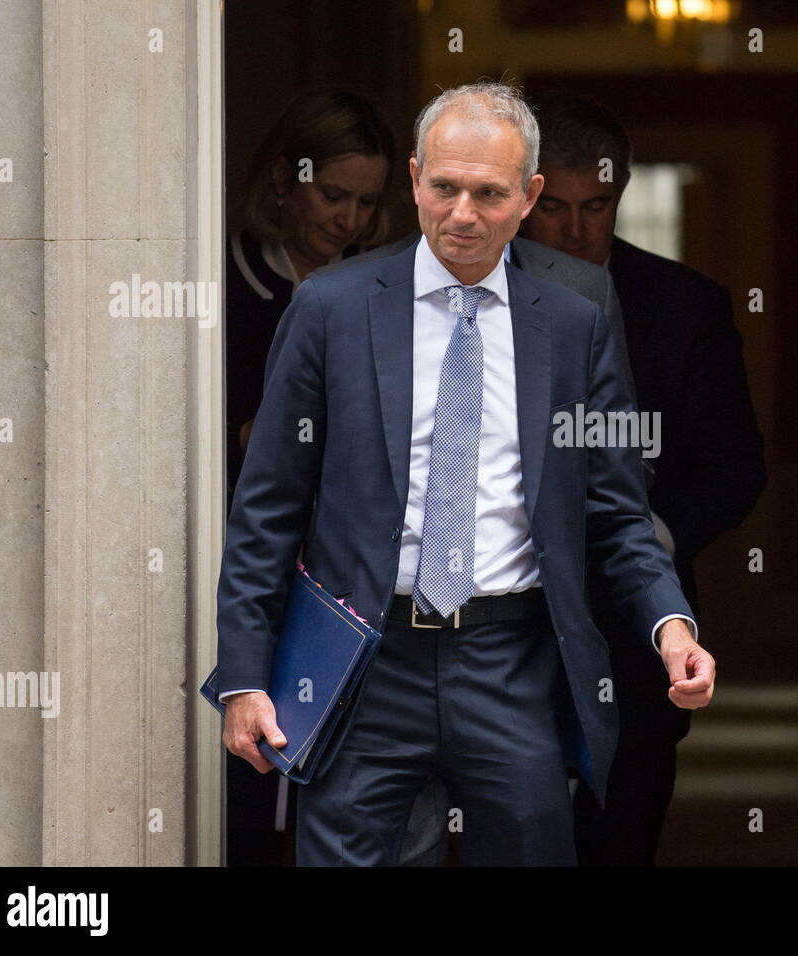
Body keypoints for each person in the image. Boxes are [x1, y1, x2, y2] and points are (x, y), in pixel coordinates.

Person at [216, 81, 715, 866]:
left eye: (489, 194)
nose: (462, 215)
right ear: (414, 179)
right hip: (363, 662)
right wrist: (245, 675)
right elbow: (266, 508)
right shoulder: (330, 308)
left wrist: (671, 626)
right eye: (443, 188)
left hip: (510, 662)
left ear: (529, 197)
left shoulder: (574, 323)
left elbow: (617, 512)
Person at [519, 90, 765, 865]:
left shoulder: (686, 305)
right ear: (523, 197)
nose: (577, 230)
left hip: (636, 622)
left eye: (597, 205)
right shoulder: (467, 296)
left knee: (621, 832)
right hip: (501, 626)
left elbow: (735, 466)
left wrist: (652, 534)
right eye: (554, 207)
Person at [223, 87, 394, 866]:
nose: (348, 221)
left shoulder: (383, 292)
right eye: (333, 195)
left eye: (366, 202)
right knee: (245, 797)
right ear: (285, 180)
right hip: (241, 563)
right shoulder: (219, 286)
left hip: (350, 584)